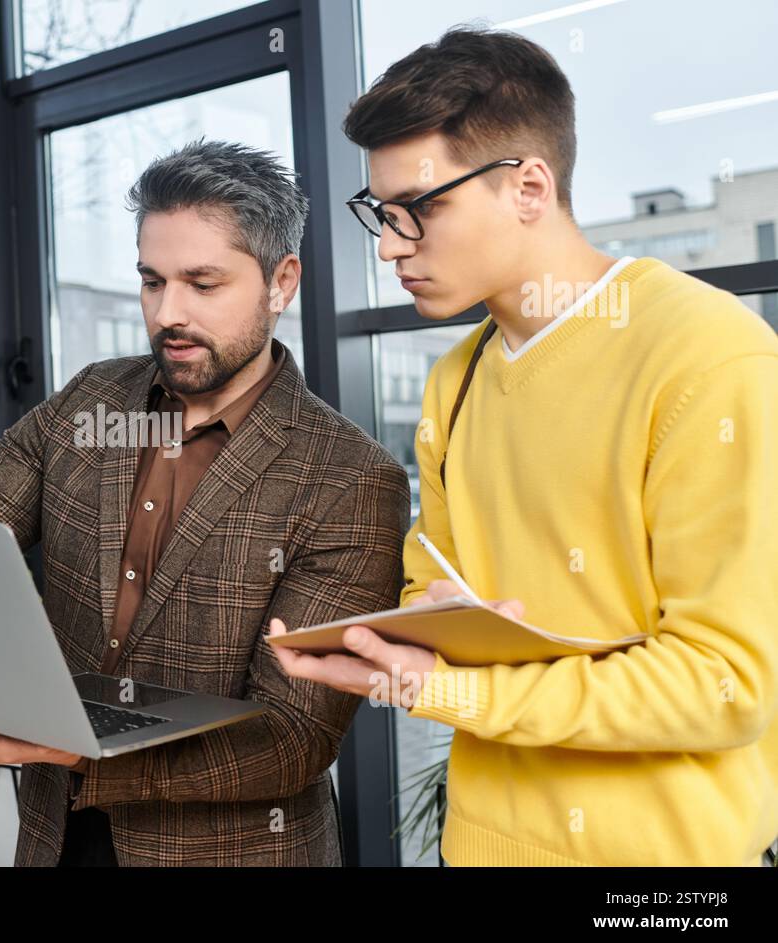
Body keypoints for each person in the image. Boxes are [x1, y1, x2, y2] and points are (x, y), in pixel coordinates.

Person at [273, 26, 778, 866]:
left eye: (422, 210)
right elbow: (437, 585)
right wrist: (420, 626)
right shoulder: (454, 380)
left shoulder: (711, 359)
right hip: (480, 845)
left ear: (530, 187)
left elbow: (727, 686)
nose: (392, 245)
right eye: (380, 214)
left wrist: (454, 684)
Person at [0, 140, 410, 865]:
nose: (168, 312)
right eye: (151, 280)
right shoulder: (90, 399)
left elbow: (291, 741)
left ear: (282, 281)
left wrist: (76, 751)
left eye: (202, 284)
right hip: (56, 836)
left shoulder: (349, 478)